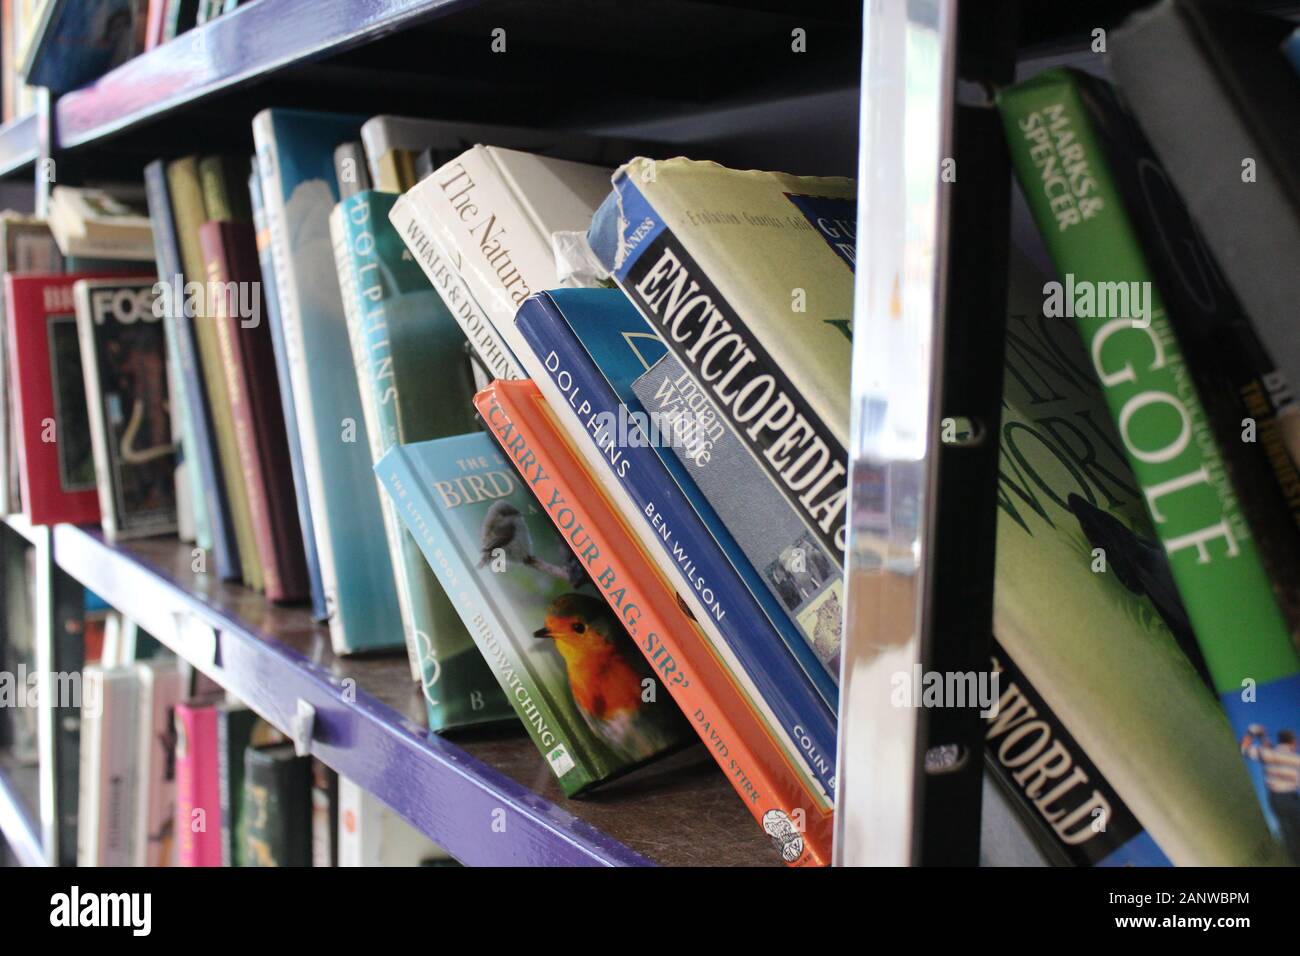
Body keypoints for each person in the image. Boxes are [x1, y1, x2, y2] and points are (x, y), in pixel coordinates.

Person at [1241, 725, 1300, 860]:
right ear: (1293, 742)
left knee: (1289, 833)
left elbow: (1244, 748)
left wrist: (1253, 732)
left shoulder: (1268, 753)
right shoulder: (1296, 759)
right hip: (1291, 797)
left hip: (1275, 799)